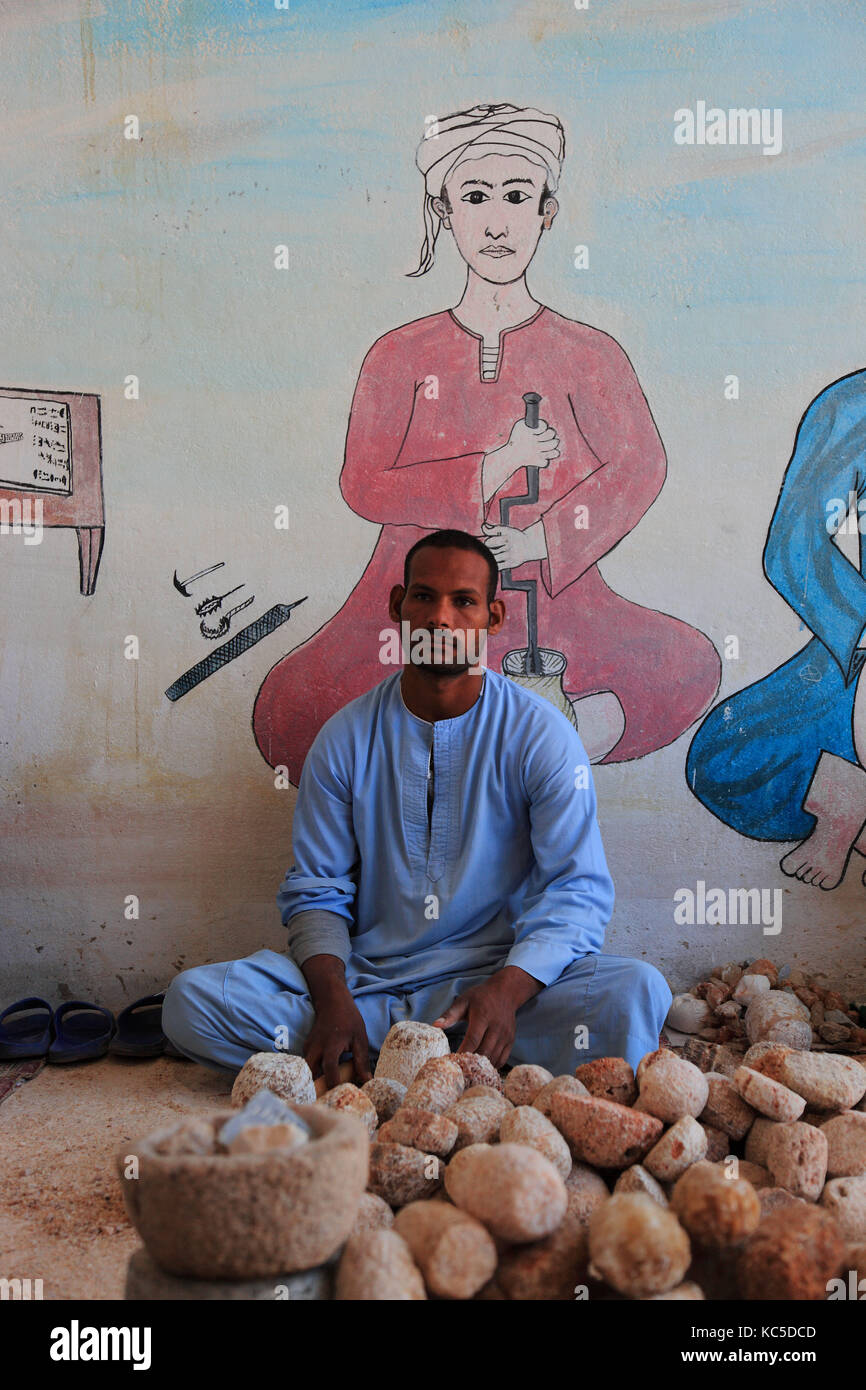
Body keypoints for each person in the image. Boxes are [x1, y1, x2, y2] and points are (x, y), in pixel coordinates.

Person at [252, 101, 720, 785]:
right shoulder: (399, 353)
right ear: (444, 210)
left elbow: (641, 465)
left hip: (560, 599)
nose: (496, 222)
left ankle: (547, 739)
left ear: (546, 212)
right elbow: (364, 483)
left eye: (517, 196)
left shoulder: (588, 352)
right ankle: (483, 740)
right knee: (289, 713)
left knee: (685, 666)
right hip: (416, 597)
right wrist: (495, 465)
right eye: (474, 196)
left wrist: (541, 542)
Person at [164, 530, 673, 1081]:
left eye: (464, 601)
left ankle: (384, 1063)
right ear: (397, 607)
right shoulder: (345, 738)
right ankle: (428, 1061)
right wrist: (334, 1001)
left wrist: (505, 992)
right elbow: (317, 891)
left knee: (636, 995)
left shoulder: (541, 734)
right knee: (192, 1002)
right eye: (424, 597)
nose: (441, 619)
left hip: (496, 982)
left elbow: (578, 889)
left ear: (493, 617)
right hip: (369, 983)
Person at [687, 368, 866, 890]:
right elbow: (795, 548)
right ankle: (844, 792)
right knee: (726, 764)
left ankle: (848, 799)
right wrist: (857, 632)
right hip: (856, 641)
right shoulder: (853, 405)